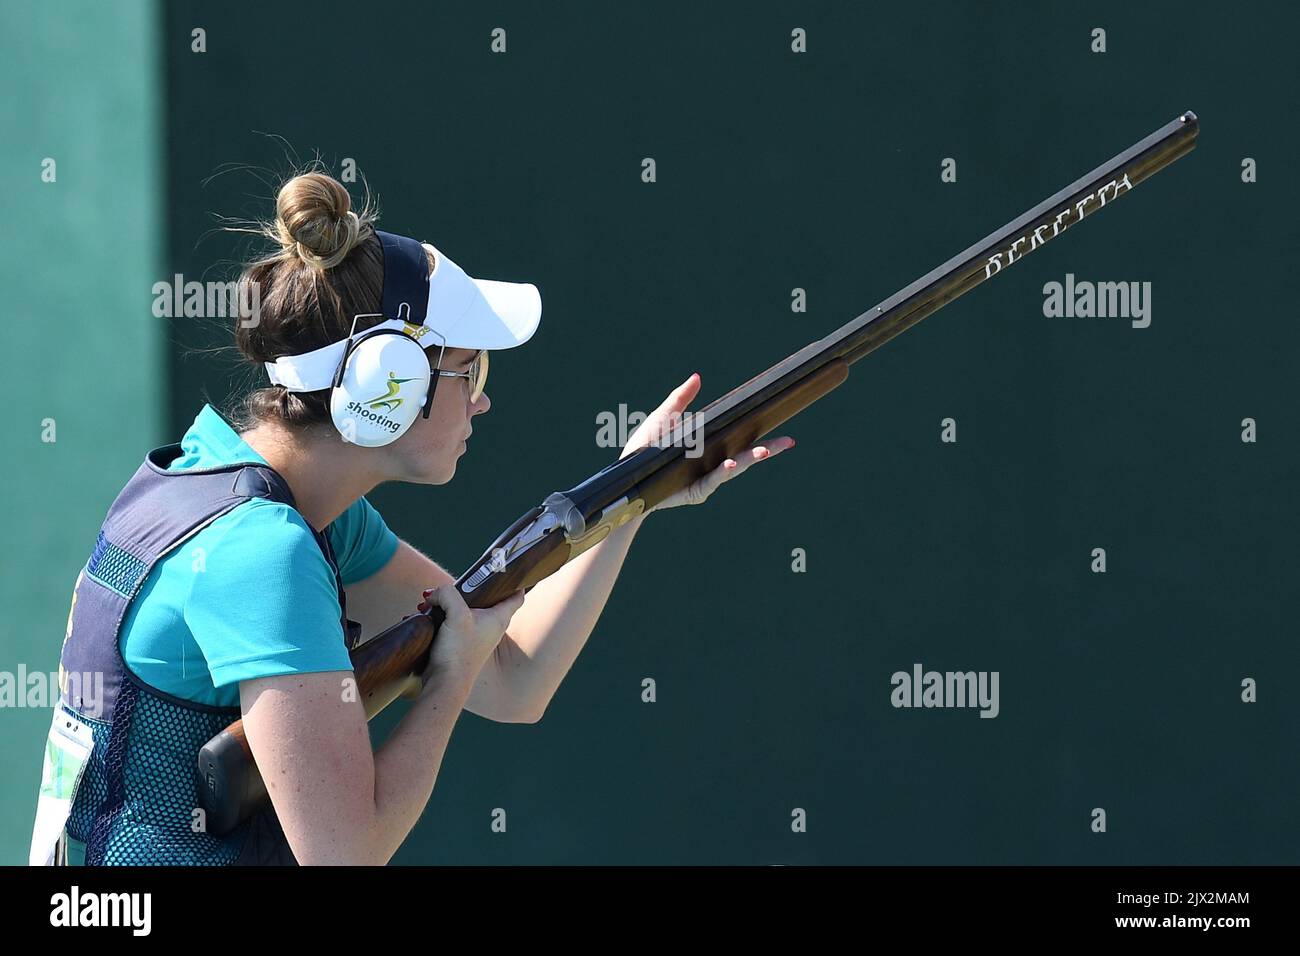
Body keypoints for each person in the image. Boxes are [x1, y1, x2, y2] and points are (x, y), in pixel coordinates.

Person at [30, 171, 795, 866]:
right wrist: (446, 681)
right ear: (387, 382)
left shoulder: (237, 498)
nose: (484, 400)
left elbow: (516, 677)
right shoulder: (260, 553)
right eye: (472, 371)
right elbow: (347, 854)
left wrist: (636, 493)